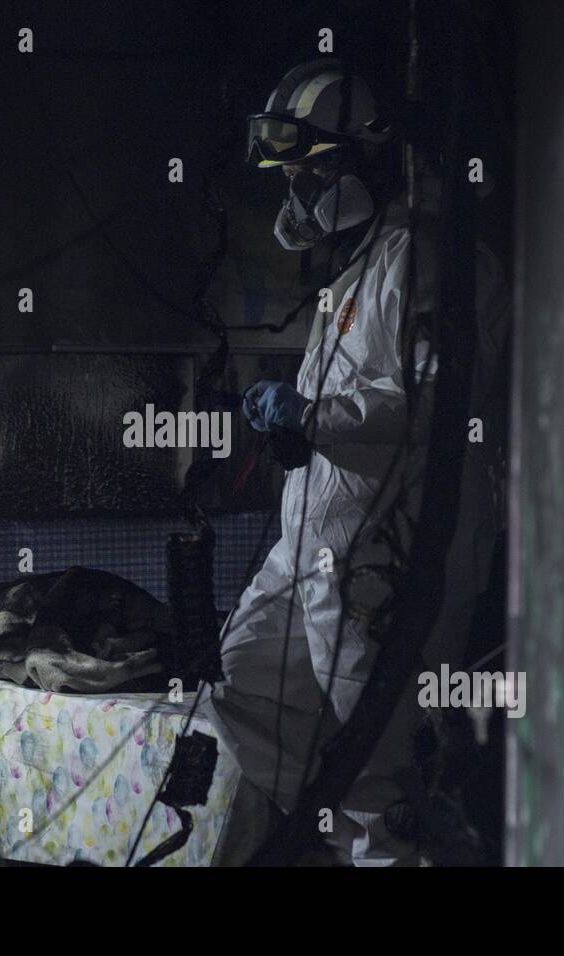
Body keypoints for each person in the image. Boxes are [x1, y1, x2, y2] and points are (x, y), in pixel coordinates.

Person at [207, 58, 505, 865]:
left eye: (313, 173)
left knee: (376, 760)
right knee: (244, 688)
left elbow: (437, 403)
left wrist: (314, 416)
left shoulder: (423, 257)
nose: (297, 195)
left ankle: (394, 841)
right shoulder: (361, 264)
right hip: (310, 546)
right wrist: (297, 420)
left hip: (388, 554)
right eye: (289, 177)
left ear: (362, 164)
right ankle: (348, 830)